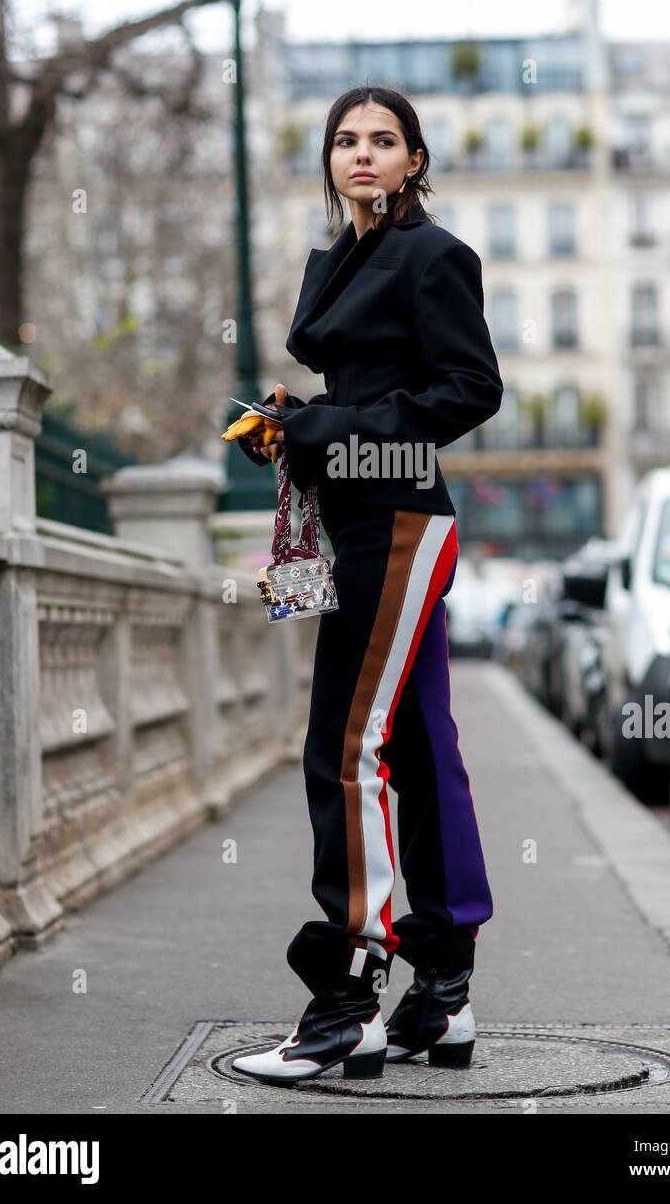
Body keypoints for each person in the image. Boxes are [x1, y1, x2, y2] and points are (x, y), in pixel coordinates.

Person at [230, 85, 504, 1085]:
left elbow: (469, 390)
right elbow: (362, 392)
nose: (361, 155)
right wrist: (290, 420)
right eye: (345, 140)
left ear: (413, 160)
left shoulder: (431, 254)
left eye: (382, 141)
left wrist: (323, 430)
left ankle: (343, 996)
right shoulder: (338, 258)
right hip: (351, 518)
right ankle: (441, 990)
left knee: (342, 747)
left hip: (396, 519)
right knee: (415, 744)